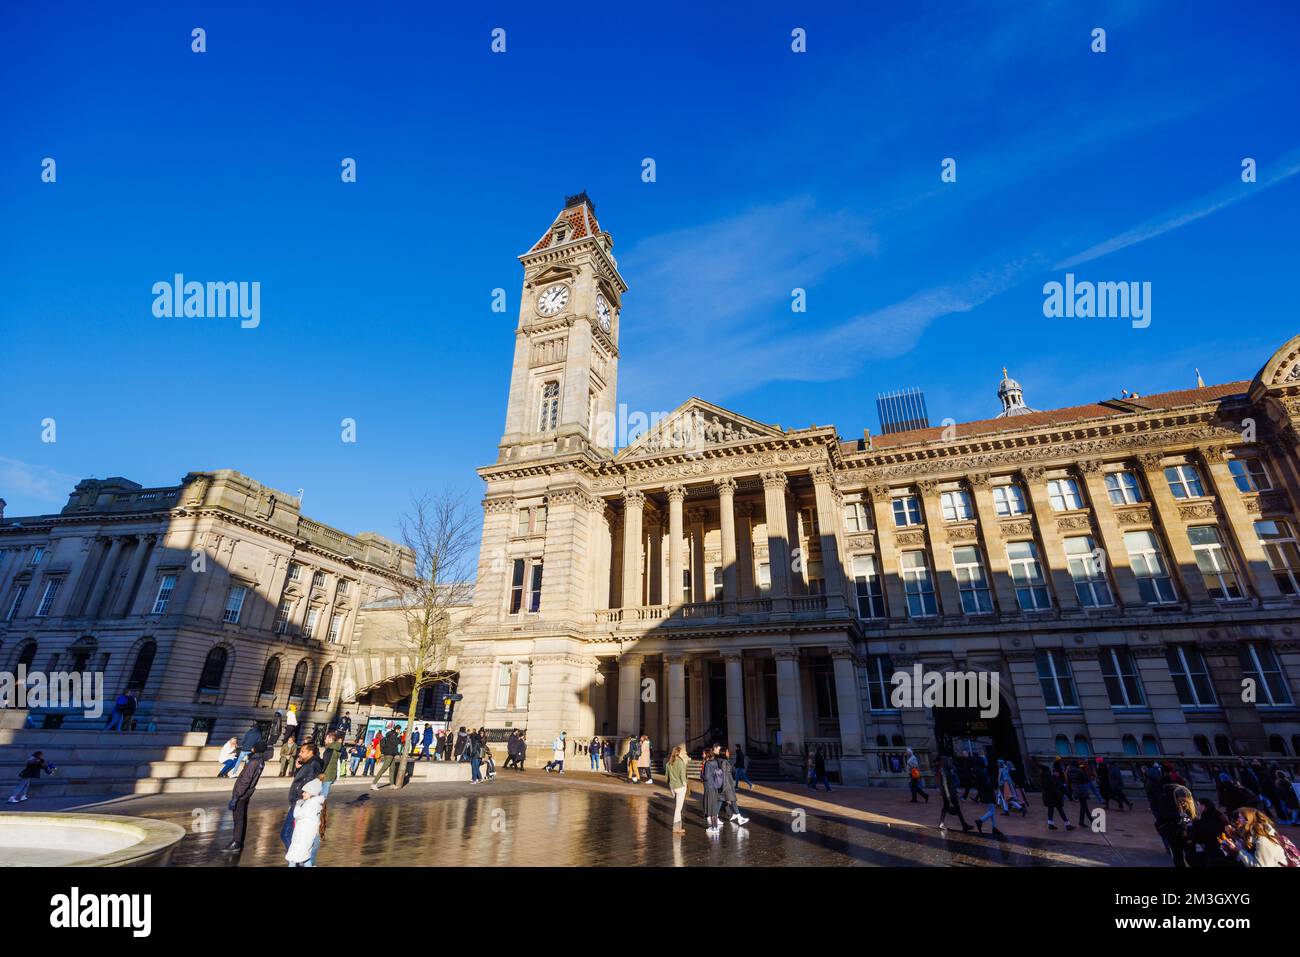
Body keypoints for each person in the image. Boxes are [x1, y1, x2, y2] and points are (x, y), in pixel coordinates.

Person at [224, 742, 266, 852]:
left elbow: (245, 780)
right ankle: (238, 841)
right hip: (247, 793)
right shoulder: (260, 761)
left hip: (241, 794)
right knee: (241, 818)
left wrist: (236, 796)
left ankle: (236, 842)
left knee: (238, 819)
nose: (251, 747)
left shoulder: (253, 762)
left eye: (253, 746)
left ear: (256, 749)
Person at [281, 741, 322, 850]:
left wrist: (298, 800)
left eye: (303, 751)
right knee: (291, 835)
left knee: (286, 834)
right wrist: (299, 768)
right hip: (297, 802)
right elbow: (301, 780)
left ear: (311, 752)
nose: (300, 753)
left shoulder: (312, 765)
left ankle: (296, 860)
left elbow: (307, 785)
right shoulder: (308, 764)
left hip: (299, 802)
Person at [285, 777, 327, 867]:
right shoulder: (315, 804)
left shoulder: (310, 805)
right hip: (306, 838)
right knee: (305, 858)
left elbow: (296, 814)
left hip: (301, 838)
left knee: (293, 859)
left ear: (311, 793)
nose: (303, 794)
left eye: (305, 792)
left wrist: (298, 804)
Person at [936, 755, 973, 832]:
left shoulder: (946, 770)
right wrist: (948, 795)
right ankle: (963, 825)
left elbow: (954, 770)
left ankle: (942, 823)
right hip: (949, 793)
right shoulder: (943, 770)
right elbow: (945, 784)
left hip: (948, 792)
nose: (950, 762)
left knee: (946, 808)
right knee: (955, 808)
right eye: (949, 761)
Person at [718, 747, 749, 825]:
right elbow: (724, 775)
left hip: (728, 784)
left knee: (724, 801)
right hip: (727, 785)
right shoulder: (724, 762)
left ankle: (734, 815)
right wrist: (724, 787)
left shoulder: (723, 761)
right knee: (732, 800)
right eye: (727, 751)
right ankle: (739, 818)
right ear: (724, 753)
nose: (729, 753)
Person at [972, 756, 1002, 836]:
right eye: (985, 760)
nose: (986, 761)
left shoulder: (977, 771)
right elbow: (987, 783)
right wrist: (992, 787)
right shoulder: (983, 771)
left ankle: (994, 827)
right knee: (991, 811)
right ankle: (980, 821)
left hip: (983, 792)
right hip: (988, 792)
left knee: (991, 810)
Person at [370, 722, 401, 790]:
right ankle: (374, 783)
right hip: (389, 754)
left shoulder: (392, 735)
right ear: (397, 729)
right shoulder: (393, 735)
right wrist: (399, 737)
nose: (399, 731)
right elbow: (396, 743)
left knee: (392, 769)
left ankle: (392, 784)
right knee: (384, 768)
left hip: (392, 754)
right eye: (399, 730)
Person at [667, 744, 689, 834]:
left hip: (672, 786)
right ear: (679, 753)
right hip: (680, 786)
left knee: (678, 807)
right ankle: (676, 827)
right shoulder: (680, 762)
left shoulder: (669, 762)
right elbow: (682, 776)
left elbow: (667, 776)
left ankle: (678, 826)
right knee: (678, 808)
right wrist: (686, 785)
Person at [702, 749, 724, 834]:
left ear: (707, 755)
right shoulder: (715, 762)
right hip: (714, 787)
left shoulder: (707, 763)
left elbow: (706, 777)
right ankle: (715, 827)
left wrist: (701, 775)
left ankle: (713, 827)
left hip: (709, 787)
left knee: (710, 807)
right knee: (714, 807)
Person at [1067, 759, 1092, 828]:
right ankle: (1082, 821)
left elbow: (1068, 781)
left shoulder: (1069, 771)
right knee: (1083, 805)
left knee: (1084, 805)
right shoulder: (1079, 770)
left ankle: (1090, 820)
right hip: (1081, 788)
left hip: (1075, 788)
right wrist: (1084, 770)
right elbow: (1086, 779)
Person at [319, 731, 343, 798]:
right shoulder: (335, 748)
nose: (325, 740)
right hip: (330, 774)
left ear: (330, 740)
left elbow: (325, 762)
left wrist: (320, 772)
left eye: (326, 739)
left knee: (323, 796)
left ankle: (322, 808)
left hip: (326, 774)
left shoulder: (330, 749)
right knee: (323, 794)